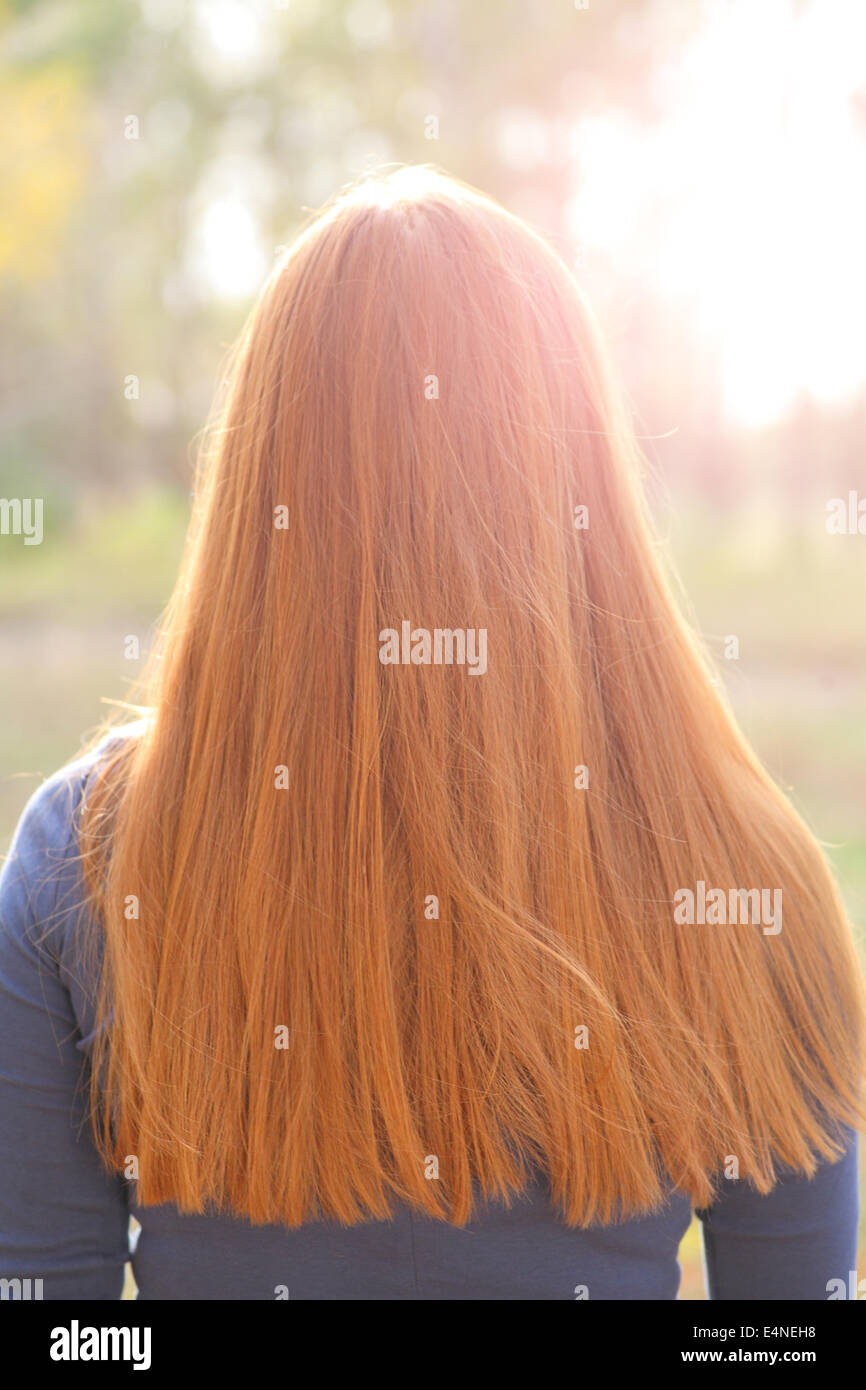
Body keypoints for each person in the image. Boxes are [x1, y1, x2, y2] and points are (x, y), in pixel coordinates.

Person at [1, 167, 863, 1300]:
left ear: (259, 474)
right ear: (582, 476)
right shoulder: (742, 867)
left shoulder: (86, 854)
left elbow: (47, 1310)